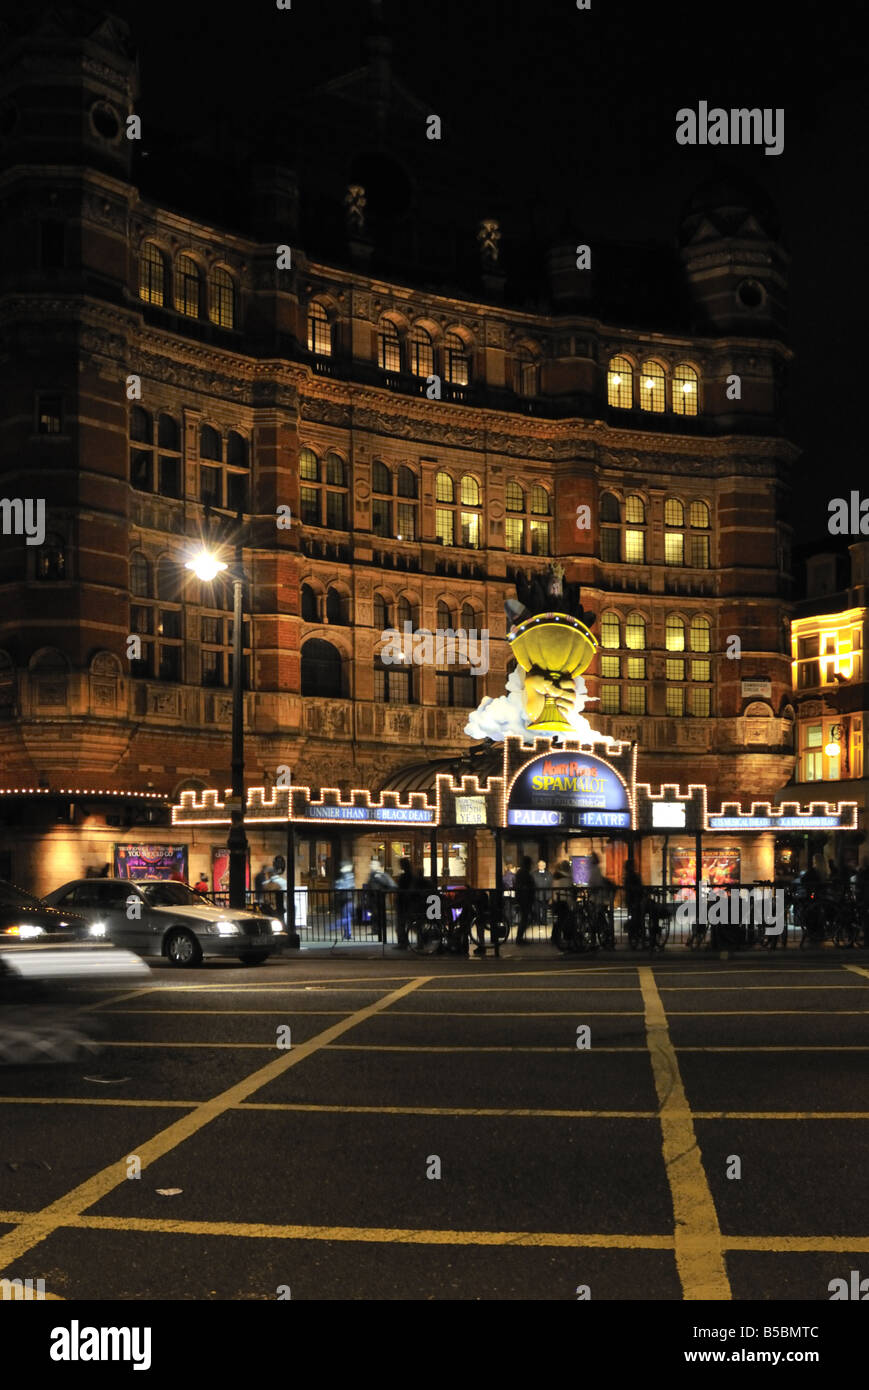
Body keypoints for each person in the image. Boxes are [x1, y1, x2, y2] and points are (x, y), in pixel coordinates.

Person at [366, 859, 396, 942]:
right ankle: (375, 930)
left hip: (380, 898)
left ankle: (380, 931)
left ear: (378, 866)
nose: (371, 866)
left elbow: (391, 885)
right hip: (373, 899)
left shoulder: (381, 875)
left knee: (379, 914)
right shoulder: (372, 875)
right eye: (371, 864)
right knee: (374, 914)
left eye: (374, 864)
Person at [514, 856, 536, 943]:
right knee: (525, 918)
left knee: (526, 918)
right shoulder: (524, 873)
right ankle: (519, 937)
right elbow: (525, 885)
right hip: (525, 898)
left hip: (524, 898)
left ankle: (520, 937)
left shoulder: (522, 872)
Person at [395, 857, 414, 948]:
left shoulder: (404, 876)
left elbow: (401, 889)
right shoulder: (412, 875)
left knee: (401, 925)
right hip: (409, 903)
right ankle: (419, 942)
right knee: (410, 923)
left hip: (403, 903)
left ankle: (403, 943)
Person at [334, 860, 355, 940]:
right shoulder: (346, 875)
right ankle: (347, 933)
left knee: (346, 916)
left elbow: (339, 886)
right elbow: (340, 886)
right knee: (346, 916)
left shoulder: (346, 875)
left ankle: (347, 933)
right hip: (345, 898)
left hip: (346, 898)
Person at [533, 858, 552, 928]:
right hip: (536, 894)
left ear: (544, 866)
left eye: (542, 865)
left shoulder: (549, 874)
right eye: (539, 865)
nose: (540, 866)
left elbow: (550, 884)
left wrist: (549, 895)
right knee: (536, 909)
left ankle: (544, 921)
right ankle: (538, 921)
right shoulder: (534, 874)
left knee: (544, 909)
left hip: (545, 894)